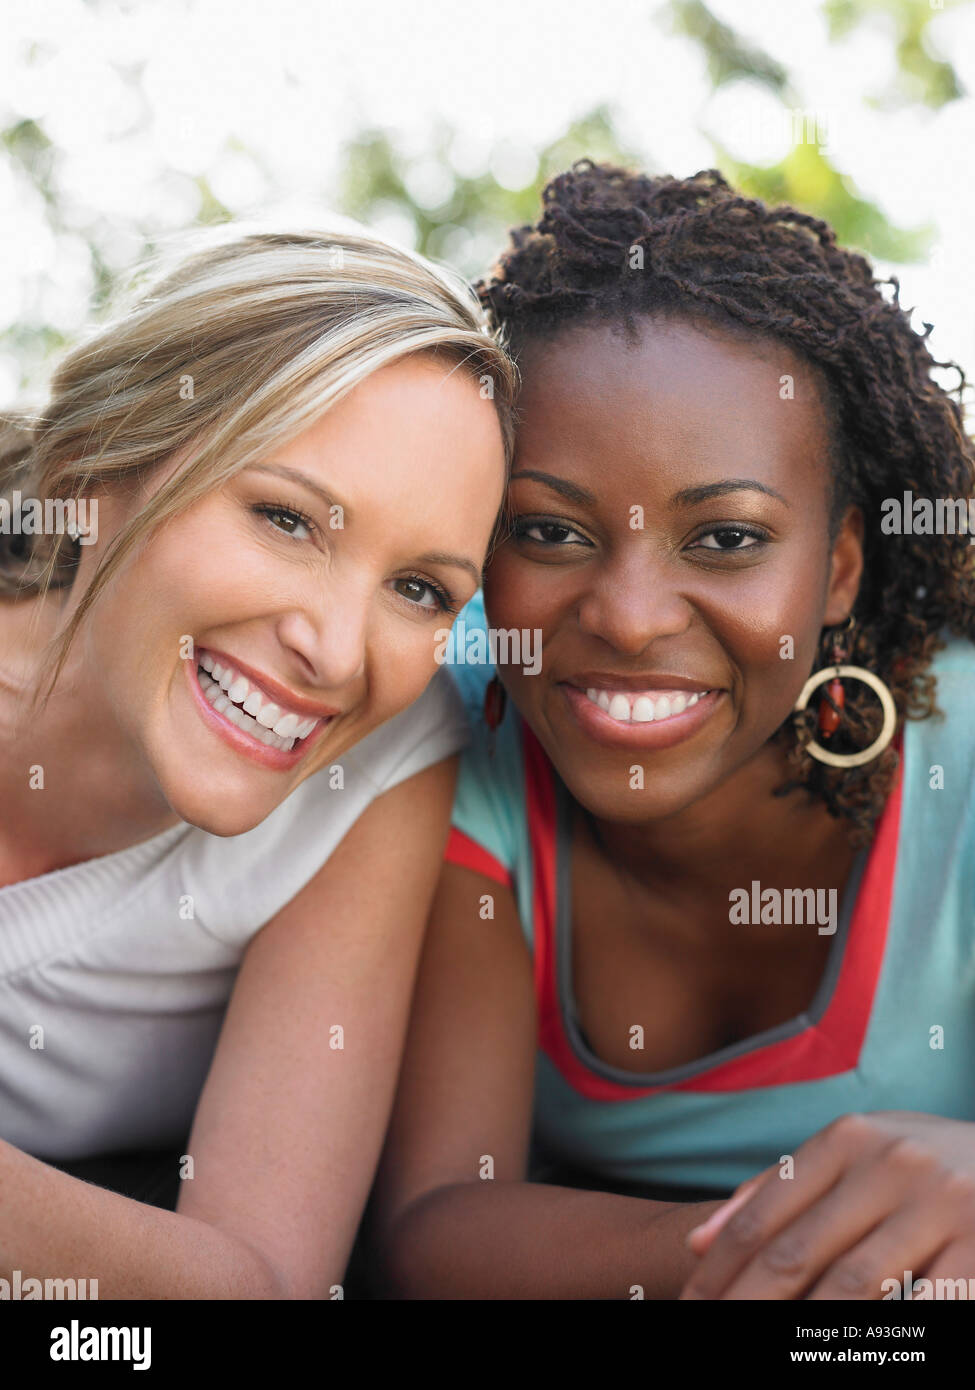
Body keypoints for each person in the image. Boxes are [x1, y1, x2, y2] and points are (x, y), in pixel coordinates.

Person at [369, 162, 975, 1300]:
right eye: (548, 530)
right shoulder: (451, 734)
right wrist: (807, 1250)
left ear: (839, 567)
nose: (630, 618)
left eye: (728, 540)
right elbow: (439, 1226)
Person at [0, 221, 516, 1298]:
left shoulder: (378, 767)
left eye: (419, 589)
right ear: (98, 471)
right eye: (287, 518)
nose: (333, 648)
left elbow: (262, 1284)